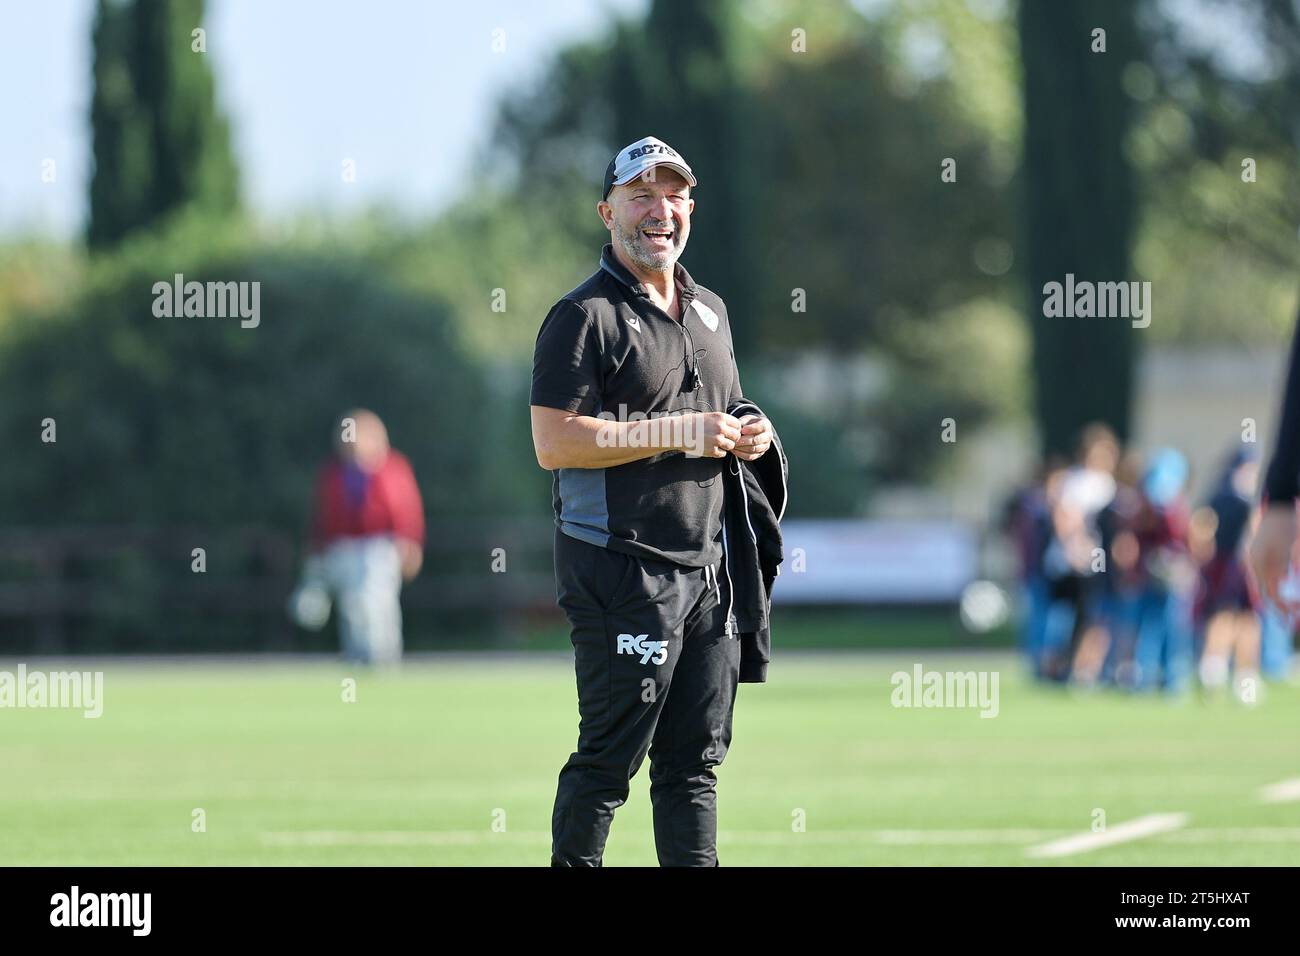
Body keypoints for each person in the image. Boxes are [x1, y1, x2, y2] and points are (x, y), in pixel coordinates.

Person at [529, 135, 774, 867]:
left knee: (693, 768)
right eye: (642, 195)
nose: (659, 210)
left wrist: (749, 433)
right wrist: (685, 432)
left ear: (689, 207)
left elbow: (716, 415)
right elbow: (554, 441)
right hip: (620, 567)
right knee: (608, 764)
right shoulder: (583, 316)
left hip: (707, 572)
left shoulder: (711, 311)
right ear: (609, 212)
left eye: (673, 195)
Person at [293, 409, 425, 665]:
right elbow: (323, 515)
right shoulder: (334, 473)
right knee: (352, 607)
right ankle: (358, 657)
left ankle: (382, 657)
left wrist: (409, 543)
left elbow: (405, 509)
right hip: (343, 548)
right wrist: (316, 548)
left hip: (379, 547)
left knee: (375, 603)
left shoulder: (391, 469)